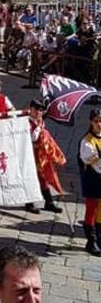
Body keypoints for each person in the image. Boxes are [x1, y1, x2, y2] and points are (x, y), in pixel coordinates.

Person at [25, 98, 65, 214]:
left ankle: (49, 202)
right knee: (32, 177)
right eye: (36, 110)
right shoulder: (26, 122)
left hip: (42, 154)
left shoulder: (40, 120)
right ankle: (29, 203)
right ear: (31, 109)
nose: (39, 112)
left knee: (44, 177)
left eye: (41, 110)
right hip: (31, 153)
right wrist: (39, 128)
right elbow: (33, 138)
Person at [79, 108, 101, 256]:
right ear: (91, 122)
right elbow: (87, 160)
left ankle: (100, 237)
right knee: (92, 209)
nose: (99, 124)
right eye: (96, 121)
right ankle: (91, 241)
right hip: (94, 178)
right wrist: (98, 156)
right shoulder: (87, 141)